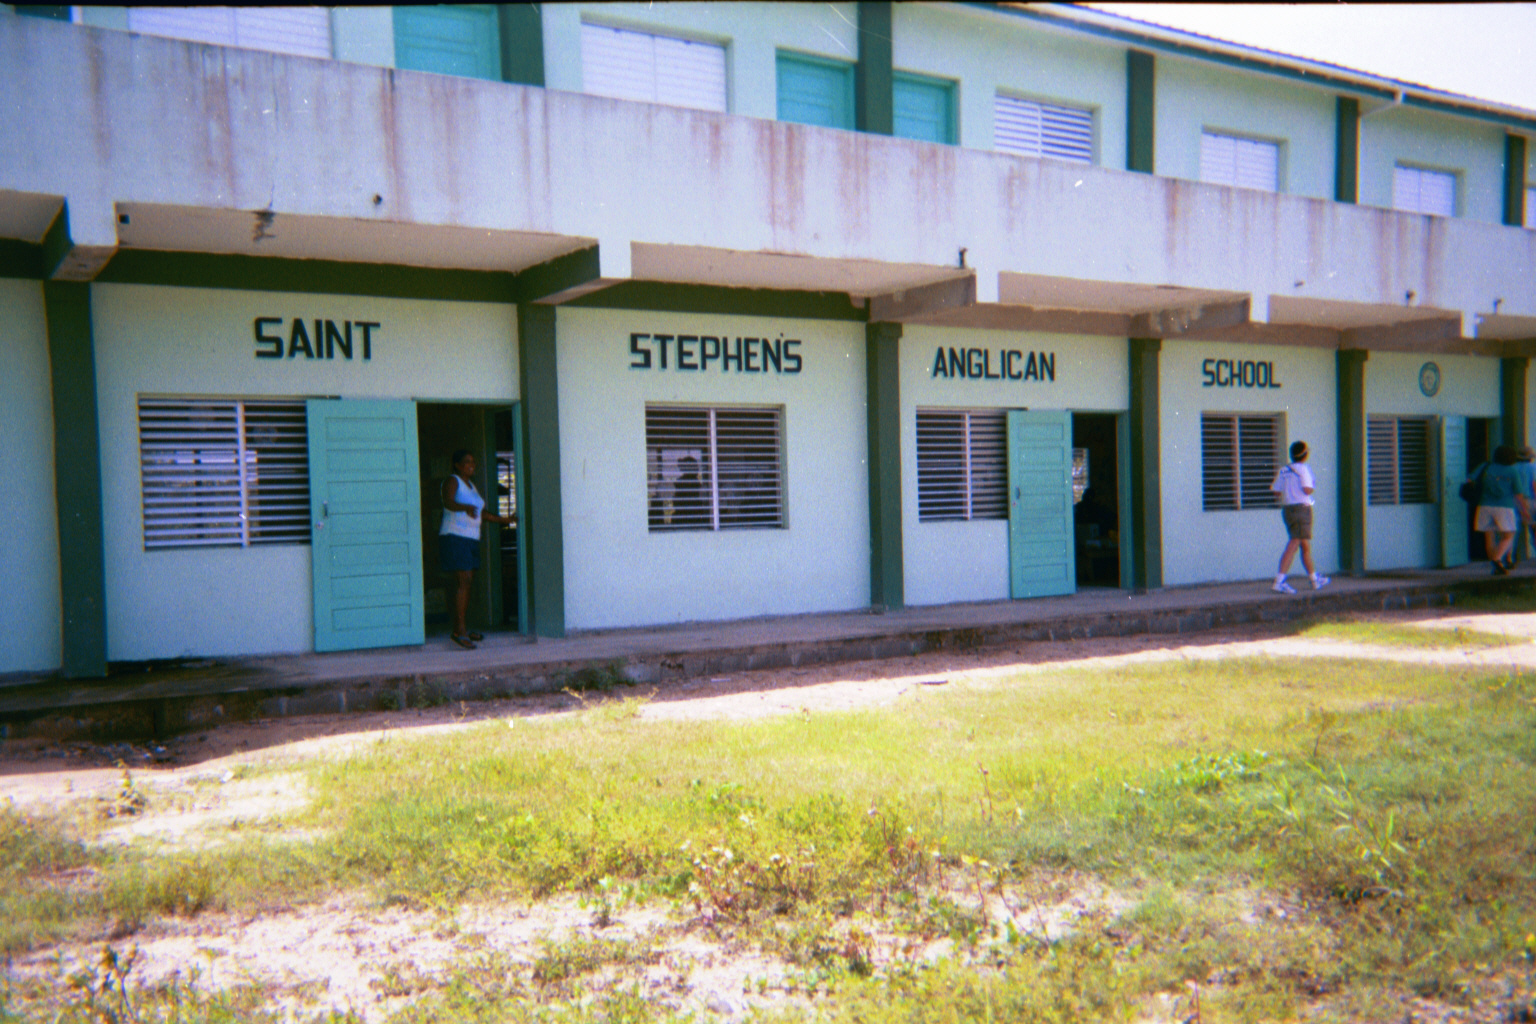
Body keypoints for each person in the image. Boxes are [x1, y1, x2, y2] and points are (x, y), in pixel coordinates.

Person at [439, 448, 512, 649]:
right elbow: (448, 502)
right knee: (464, 581)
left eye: (473, 461)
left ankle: (462, 627)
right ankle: (459, 631)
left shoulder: (471, 486)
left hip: (470, 539)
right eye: (467, 462)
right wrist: (465, 508)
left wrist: (506, 519)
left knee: (466, 583)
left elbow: (482, 513)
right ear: (457, 465)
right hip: (455, 537)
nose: (472, 465)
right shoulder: (453, 481)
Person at [1271, 440, 1329, 594]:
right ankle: (1280, 581)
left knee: (1304, 545)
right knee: (1294, 544)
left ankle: (1314, 579)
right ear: (1304, 455)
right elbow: (1308, 490)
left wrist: (1290, 489)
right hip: (1302, 510)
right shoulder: (1304, 469)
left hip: (1288, 510)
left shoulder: (1284, 469)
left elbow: (1276, 491)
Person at [1468, 444, 1529, 576]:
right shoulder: (1512, 471)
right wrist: (1524, 509)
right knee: (1509, 534)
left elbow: (1470, 479)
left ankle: (1496, 566)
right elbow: (1518, 493)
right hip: (1504, 506)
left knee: (1489, 537)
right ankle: (1497, 559)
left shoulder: (1486, 466)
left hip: (1484, 505)